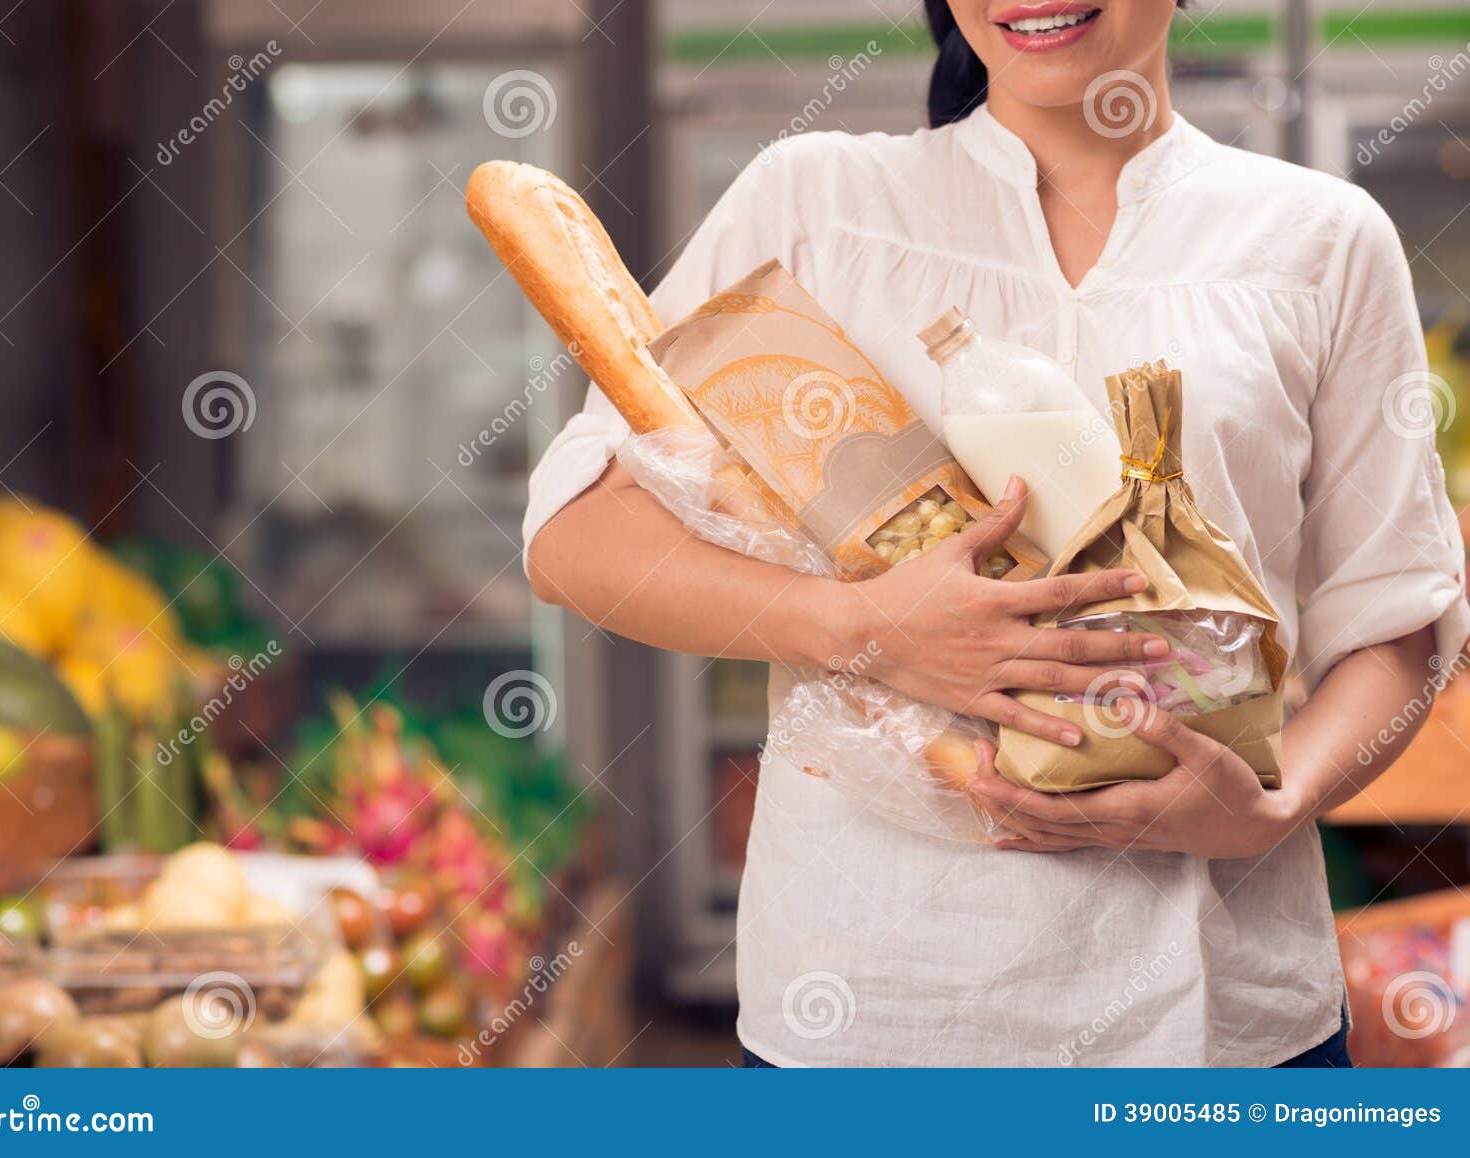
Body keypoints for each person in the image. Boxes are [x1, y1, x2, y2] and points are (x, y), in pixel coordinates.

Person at [521, 0, 1470, 1066]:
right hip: (871, 1024)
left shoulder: (1319, 240)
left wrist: (1268, 802)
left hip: (1226, 1032)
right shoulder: (817, 202)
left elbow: (1395, 620)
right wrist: (862, 626)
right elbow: (575, 534)